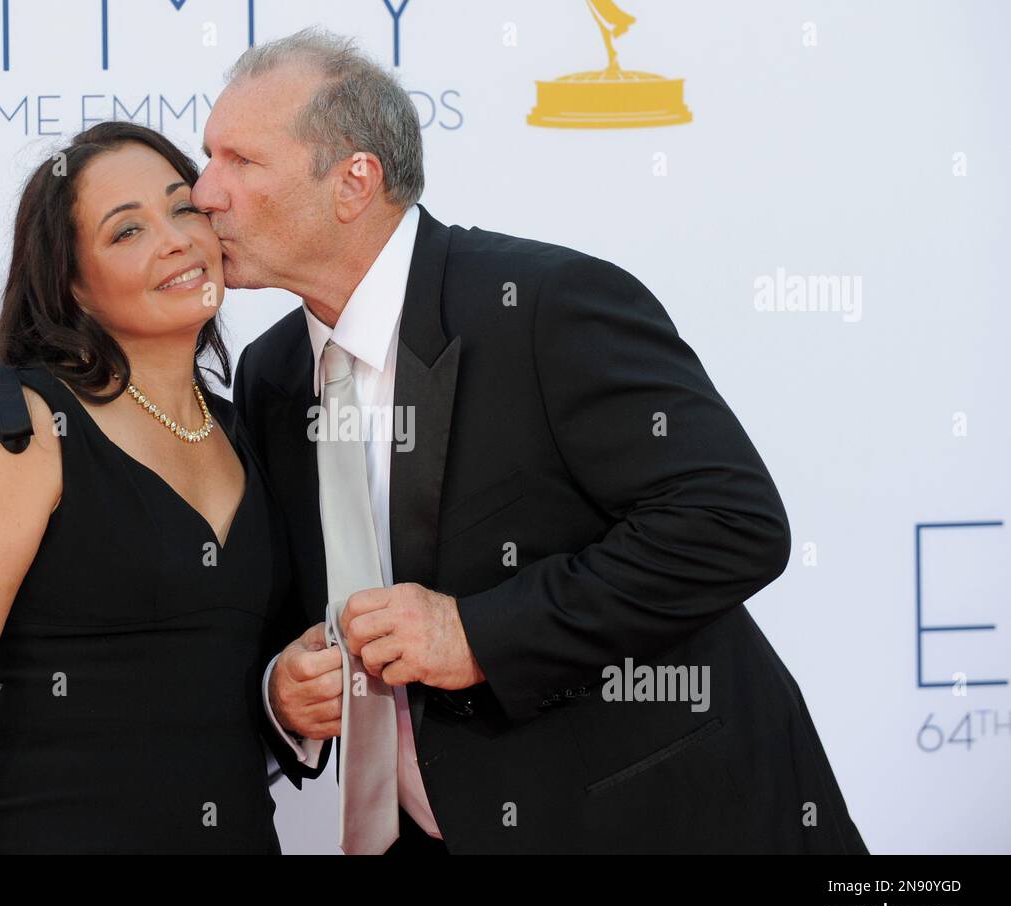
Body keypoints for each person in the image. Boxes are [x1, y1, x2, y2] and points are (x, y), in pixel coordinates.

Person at [192, 27, 870, 854]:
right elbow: (299, 609)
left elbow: (731, 524)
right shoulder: (271, 376)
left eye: (240, 161)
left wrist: (478, 635)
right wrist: (281, 694)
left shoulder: (546, 306)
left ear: (353, 181)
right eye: (207, 157)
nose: (204, 192)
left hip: (663, 820)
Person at [0, 121, 325, 854]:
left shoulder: (250, 427)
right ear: (74, 286)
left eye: (183, 208)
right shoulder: (31, 421)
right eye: (126, 232)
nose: (175, 240)